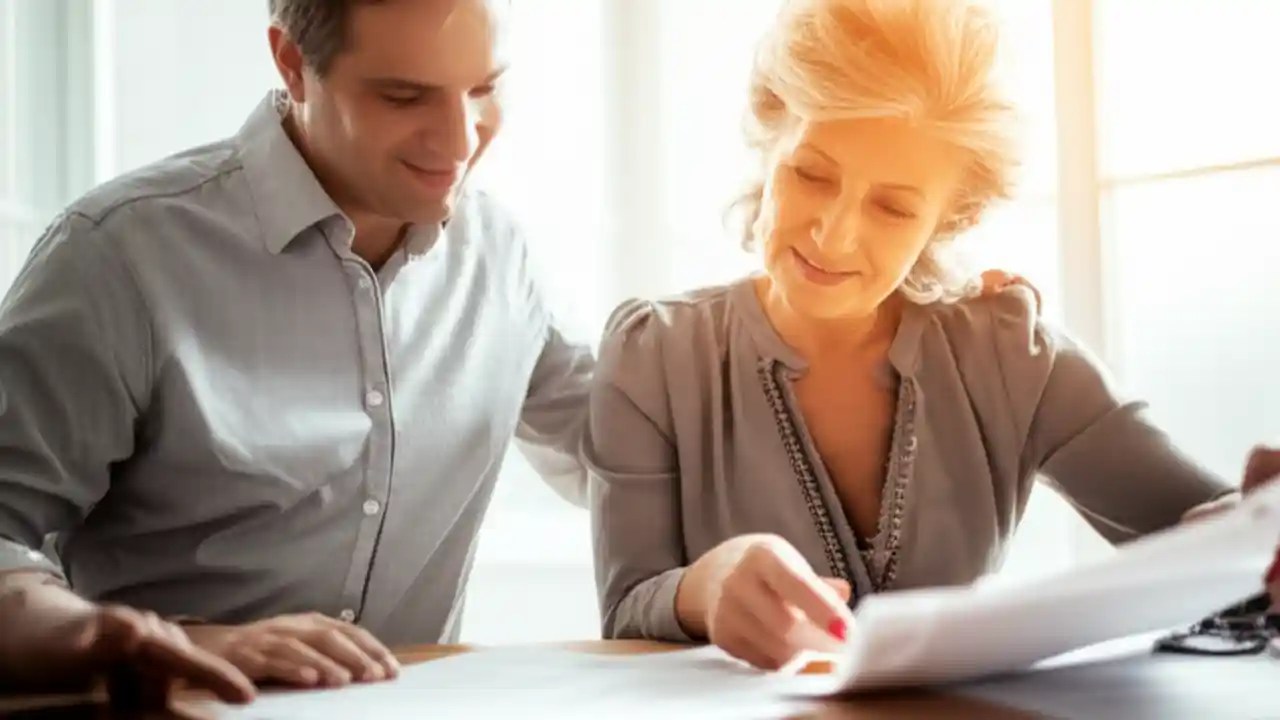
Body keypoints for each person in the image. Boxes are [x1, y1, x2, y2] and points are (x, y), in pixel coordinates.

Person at [584, 0, 1275, 671]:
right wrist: (705, 587)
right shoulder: (654, 354)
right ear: (770, 138)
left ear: (947, 220)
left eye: (892, 206)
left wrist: (1259, 526)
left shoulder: (1010, 354)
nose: (835, 233)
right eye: (811, 173)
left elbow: (1213, 536)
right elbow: (627, 605)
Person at [0, 0, 592, 694]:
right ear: (292, 64)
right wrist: (164, 642)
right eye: (403, 96)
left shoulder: (499, 255)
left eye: (484, 89)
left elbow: (630, 452)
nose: (461, 141)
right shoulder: (119, 257)